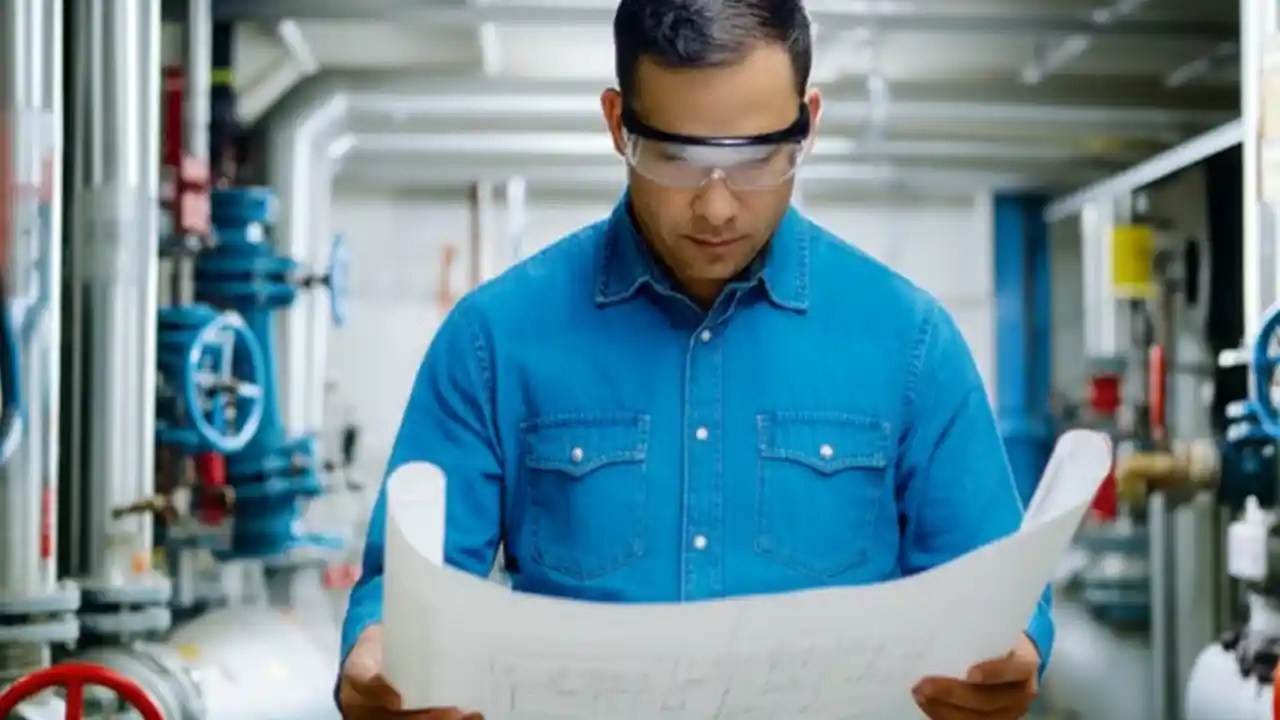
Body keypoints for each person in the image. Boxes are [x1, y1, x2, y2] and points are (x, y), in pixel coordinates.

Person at [337, 1, 1053, 718]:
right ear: (617, 124)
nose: (716, 209)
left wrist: (1011, 650)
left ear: (808, 123)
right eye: (677, 158)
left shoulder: (910, 342)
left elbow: (991, 588)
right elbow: (410, 595)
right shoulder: (494, 340)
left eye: (756, 159)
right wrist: (382, 653)